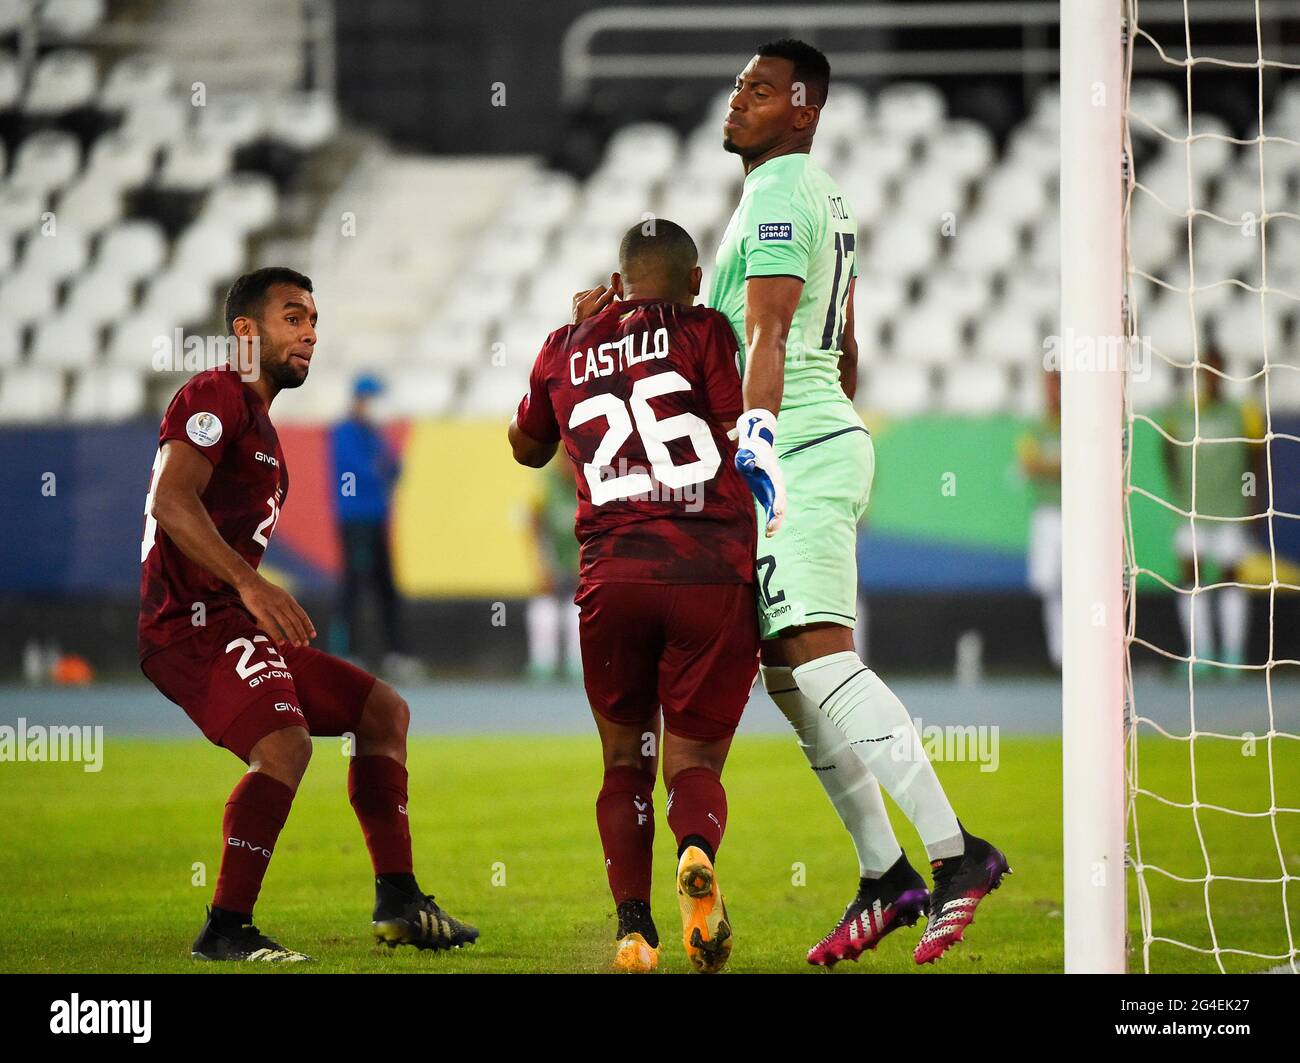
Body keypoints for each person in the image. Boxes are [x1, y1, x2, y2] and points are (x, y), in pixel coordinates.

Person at [708, 39, 1009, 966]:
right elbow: (844, 346)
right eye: (737, 86)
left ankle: (957, 853)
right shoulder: (821, 197)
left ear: (804, 106)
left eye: (758, 90)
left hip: (790, 447)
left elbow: (768, 327)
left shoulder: (776, 192)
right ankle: (887, 873)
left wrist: (760, 437)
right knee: (789, 675)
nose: (737, 100)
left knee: (816, 652)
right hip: (814, 437)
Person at [139, 267, 476, 962]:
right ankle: (224, 928)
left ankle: (399, 900)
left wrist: (246, 595)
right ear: (244, 331)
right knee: (285, 745)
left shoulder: (263, 427)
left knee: (384, 711)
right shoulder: (214, 393)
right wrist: (250, 585)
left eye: (314, 321)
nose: (310, 334)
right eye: (293, 317)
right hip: (188, 626)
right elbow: (171, 501)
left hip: (228, 624)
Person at [510, 221, 759, 973]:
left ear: (617, 282)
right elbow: (736, 425)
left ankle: (634, 931)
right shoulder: (705, 328)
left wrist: (578, 330)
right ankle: (694, 849)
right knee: (691, 762)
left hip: (612, 573)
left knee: (624, 761)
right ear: (691, 281)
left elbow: (527, 447)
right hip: (709, 567)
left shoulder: (565, 343)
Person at [1162, 348, 1264, 676]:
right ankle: (1199, 652)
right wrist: (1180, 490)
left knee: (1230, 580)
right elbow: (1167, 451)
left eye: (1217, 370)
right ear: (1200, 373)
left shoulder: (1242, 412)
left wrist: (1251, 500)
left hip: (1231, 510)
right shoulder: (1181, 414)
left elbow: (1256, 460)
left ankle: (1232, 654)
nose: (1212, 377)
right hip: (1192, 512)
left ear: (1224, 373)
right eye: (1207, 370)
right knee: (1190, 579)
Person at [329, 374, 423, 680]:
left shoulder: (376, 435)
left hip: (377, 519)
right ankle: (346, 654)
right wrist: (381, 465)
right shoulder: (343, 432)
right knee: (354, 586)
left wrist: (384, 462)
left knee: (386, 588)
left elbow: (395, 471)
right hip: (355, 521)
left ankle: (395, 655)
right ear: (360, 400)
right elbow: (361, 473)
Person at [1019, 368, 1062, 669]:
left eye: (1057, 385)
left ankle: (1077, 651)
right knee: (1049, 585)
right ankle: (1059, 655)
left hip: (1076, 514)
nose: (1053, 392)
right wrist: (1061, 465)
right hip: (1047, 513)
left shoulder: (1078, 422)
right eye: (1048, 385)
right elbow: (1030, 465)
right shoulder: (1036, 427)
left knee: (1075, 584)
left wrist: (1048, 465)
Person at [525, 458, 583, 681]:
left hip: (582, 563)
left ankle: (577, 665)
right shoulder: (546, 486)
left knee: (578, 610)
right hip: (554, 563)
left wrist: (587, 566)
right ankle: (542, 665)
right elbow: (535, 528)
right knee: (542, 609)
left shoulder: (589, 485)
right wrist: (542, 568)